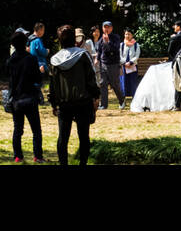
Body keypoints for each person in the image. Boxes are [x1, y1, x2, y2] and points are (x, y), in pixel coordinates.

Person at [48, 24, 99, 165]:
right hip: (83, 102)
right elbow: (91, 78)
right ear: (74, 39)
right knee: (83, 136)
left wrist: (53, 103)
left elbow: (53, 85)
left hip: (64, 103)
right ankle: (83, 163)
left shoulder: (55, 60)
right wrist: (96, 96)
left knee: (63, 138)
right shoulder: (83, 55)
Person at [7, 31, 45, 163]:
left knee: (18, 129)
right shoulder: (31, 58)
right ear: (25, 43)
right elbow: (37, 78)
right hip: (29, 97)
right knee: (36, 130)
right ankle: (38, 156)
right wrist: (40, 72)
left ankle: (18, 155)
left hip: (16, 98)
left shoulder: (11, 60)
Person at [96, 20, 125, 108]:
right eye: (105, 27)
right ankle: (104, 105)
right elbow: (100, 51)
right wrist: (97, 59)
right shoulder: (101, 39)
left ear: (111, 28)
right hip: (103, 64)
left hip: (113, 64)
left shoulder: (116, 37)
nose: (106, 29)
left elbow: (116, 48)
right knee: (103, 84)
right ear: (102, 28)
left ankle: (121, 101)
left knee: (115, 84)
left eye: (108, 27)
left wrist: (108, 41)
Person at [120, 29, 141, 100]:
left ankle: (134, 98)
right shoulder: (122, 45)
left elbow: (137, 55)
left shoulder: (136, 45)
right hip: (124, 67)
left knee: (133, 82)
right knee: (124, 82)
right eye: (126, 34)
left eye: (129, 34)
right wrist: (124, 63)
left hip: (133, 66)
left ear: (132, 35)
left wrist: (131, 62)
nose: (127, 36)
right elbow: (120, 55)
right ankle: (123, 99)